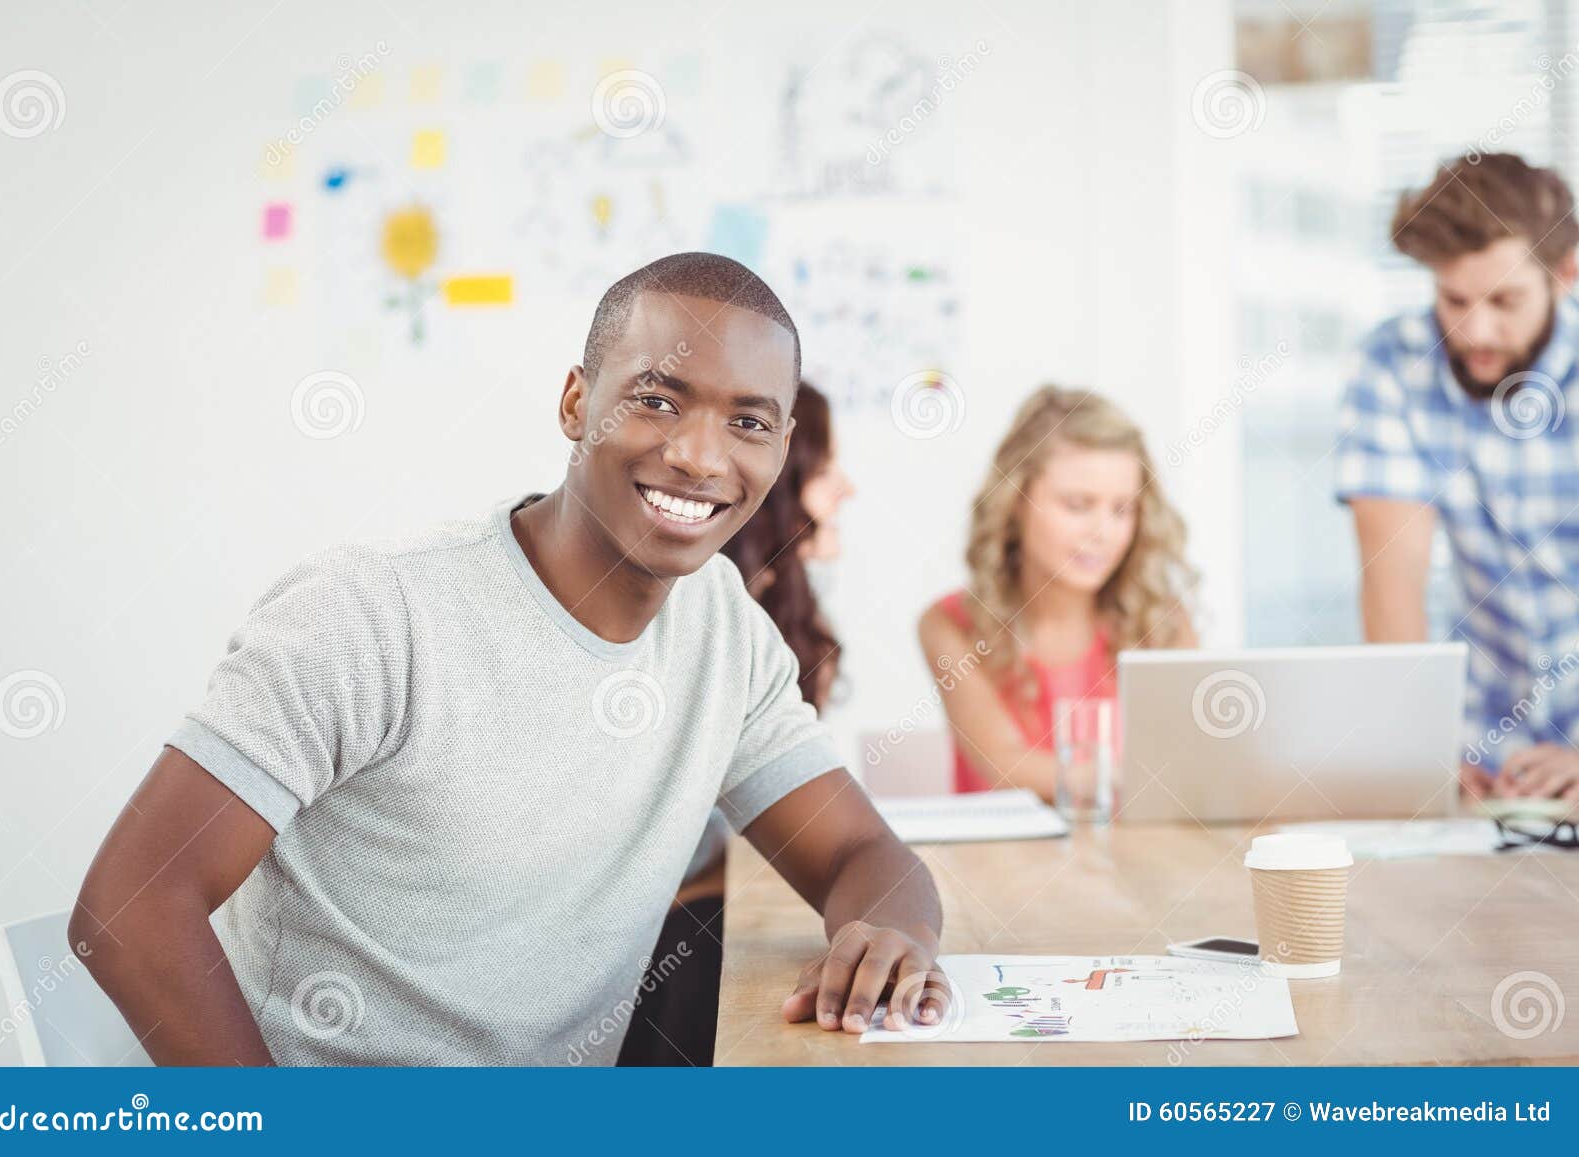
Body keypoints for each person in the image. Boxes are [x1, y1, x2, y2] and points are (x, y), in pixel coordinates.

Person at [70, 253, 943, 1066]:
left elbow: (861, 852)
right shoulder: (372, 611)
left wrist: (888, 933)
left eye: (747, 421)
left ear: (781, 448)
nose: (700, 455)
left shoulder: (725, 627)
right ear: (575, 403)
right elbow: (128, 909)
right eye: (657, 399)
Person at [618, 380, 854, 1066]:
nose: (847, 487)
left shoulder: (782, 625)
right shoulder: (677, 621)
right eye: (829, 465)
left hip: (721, 900)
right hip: (668, 928)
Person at [1334, 153, 1579, 807]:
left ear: (1566, 274)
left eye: (1505, 301)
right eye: (1454, 299)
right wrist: (1419, 753)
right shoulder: (1392, 365)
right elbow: (1393, 578)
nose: (1476, 331)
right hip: (1487, 757)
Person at [918, 386, 1198, 799]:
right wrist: (1146, 780)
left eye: (1122, 509)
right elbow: (1005, 765)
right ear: (1016, 501)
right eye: (1078, 505)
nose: (1103, 534)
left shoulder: (1162, 623)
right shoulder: (951, 626)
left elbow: (1193, 759)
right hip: (998, 863)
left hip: (1132, 861)